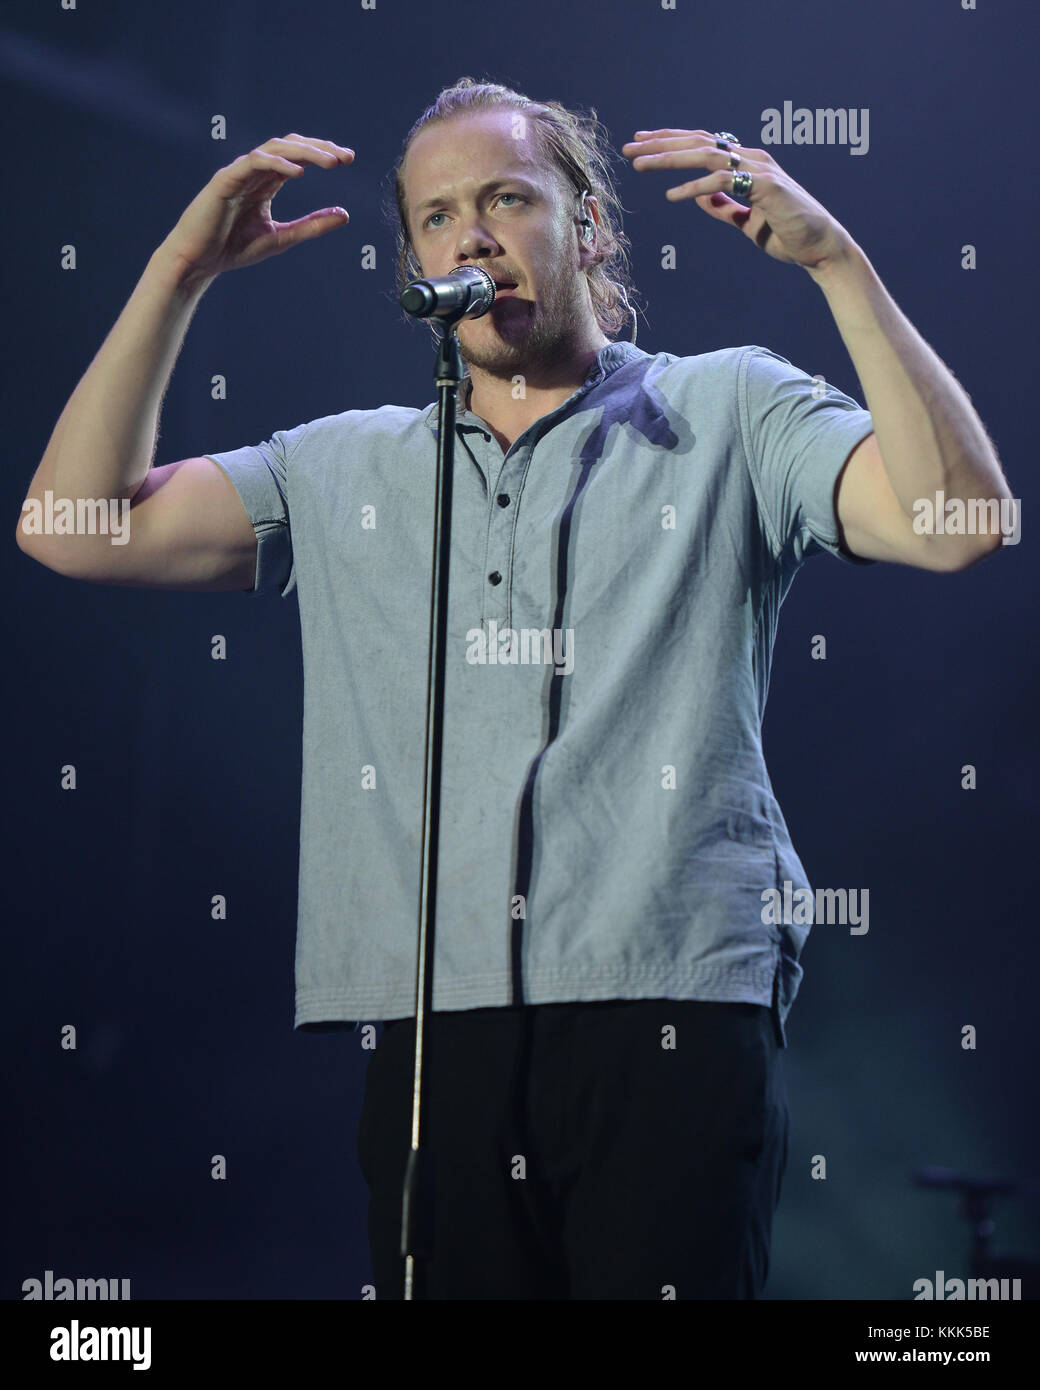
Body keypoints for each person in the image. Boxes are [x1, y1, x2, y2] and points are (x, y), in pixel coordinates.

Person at [16, 77, 1011, 1301]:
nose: (469, 234)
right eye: (435, 217)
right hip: (441, 1026)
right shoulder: (343, 467)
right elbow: (70, 528)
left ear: (585, 226)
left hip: (672, 997)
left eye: (504, 198)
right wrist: (176, 272)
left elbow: (957, 522)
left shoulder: (728, 407)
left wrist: (839, 267)